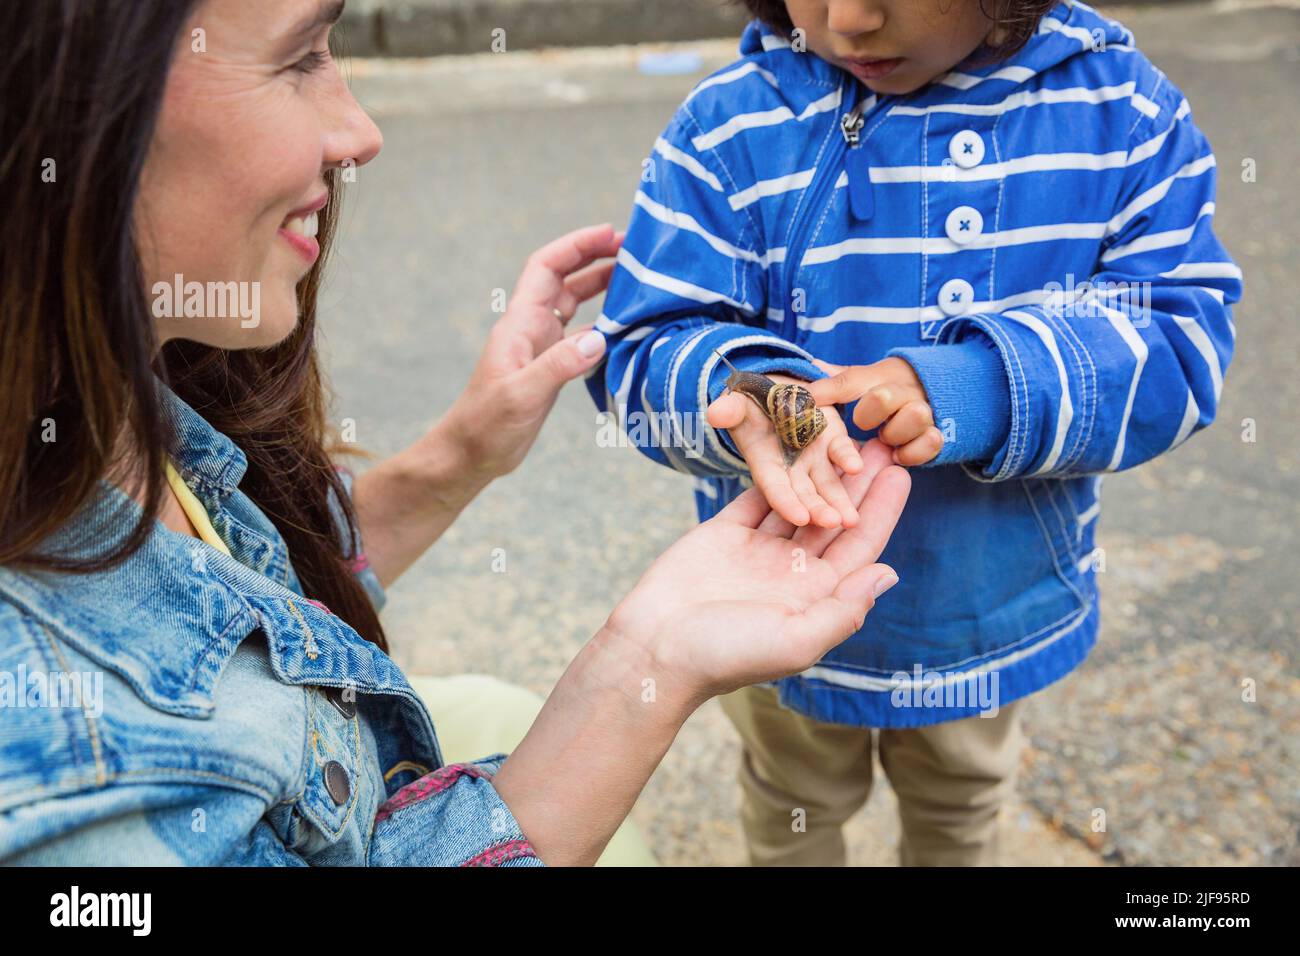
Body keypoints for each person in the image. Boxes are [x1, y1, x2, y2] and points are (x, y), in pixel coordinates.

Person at [0, 0, 911, 866]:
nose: (362, 133)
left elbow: (243, 595)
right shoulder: (72, 783)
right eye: (298, 57)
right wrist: (649, 668)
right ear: (71, 114)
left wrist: (462, 454)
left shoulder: (111, 399)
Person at [588, 0, 1241, 865]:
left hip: (988, 609)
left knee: (960, 806)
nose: (849, 17)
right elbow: (639, 344)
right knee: (792, 803)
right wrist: (748, 391)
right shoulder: (729, 125)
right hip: (776, 602)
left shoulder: (1120, 114)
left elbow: (1180, 341)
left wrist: (991, 384)